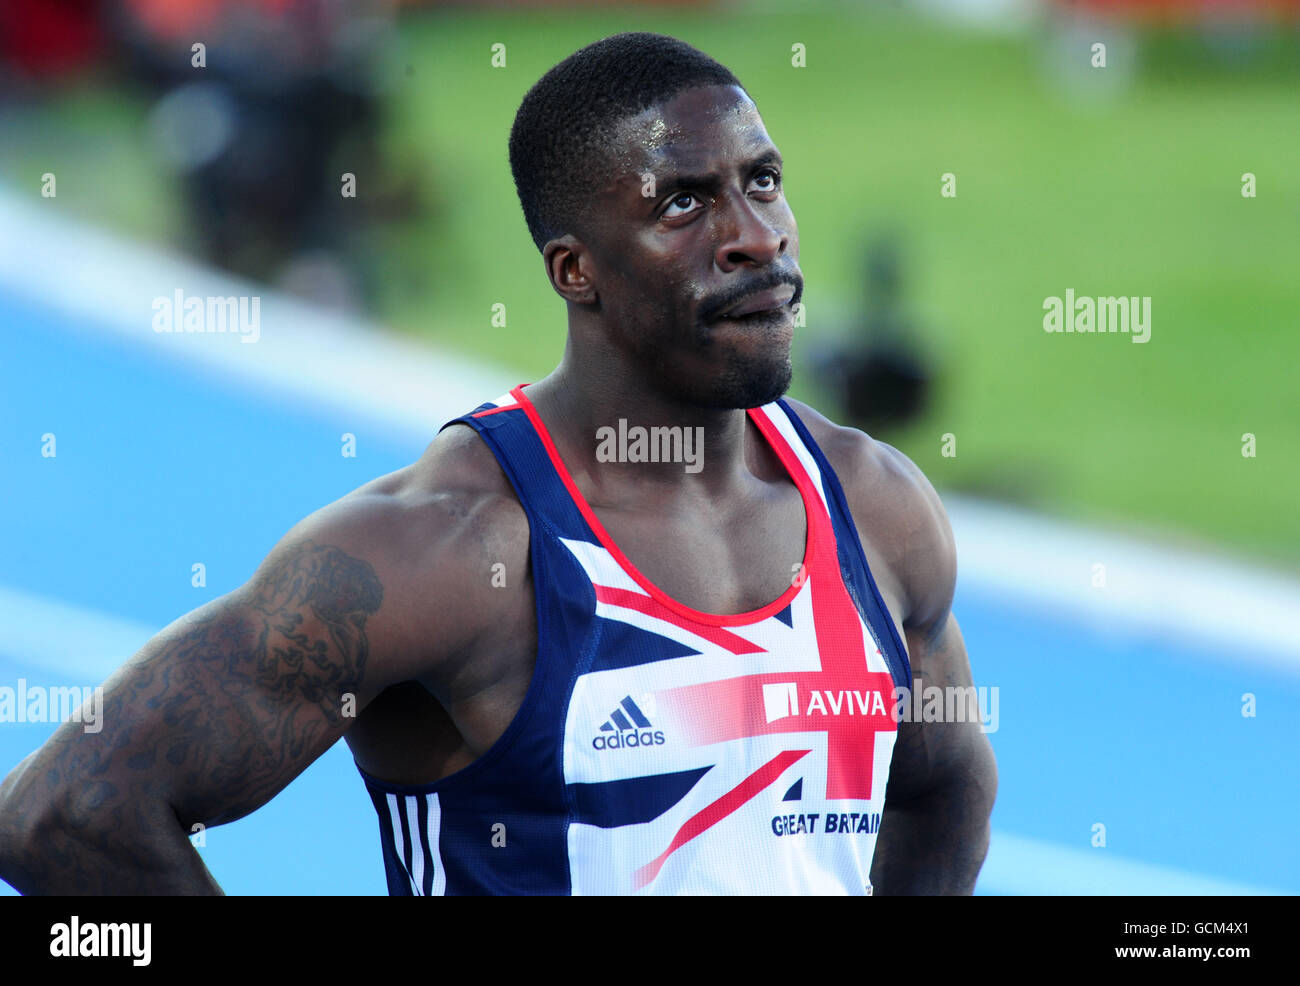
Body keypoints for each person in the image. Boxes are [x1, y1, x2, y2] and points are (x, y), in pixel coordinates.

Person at [0, 32, 996, 895]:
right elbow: (66, 812)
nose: (755, 237)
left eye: (761, 181)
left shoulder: (875, 508)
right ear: (576, 270)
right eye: (685, 205)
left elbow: (947, 784)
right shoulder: (447, 552)